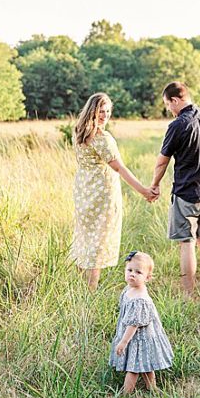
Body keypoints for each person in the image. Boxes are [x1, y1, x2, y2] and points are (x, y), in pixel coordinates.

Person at [70, 93, 156, 291]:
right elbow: (119, 168)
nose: (105, 115)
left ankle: (80, 287)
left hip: (83, 189)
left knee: (85, 235)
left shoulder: (79, 132)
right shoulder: (101, 137)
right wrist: (143, 190)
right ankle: (90, 290)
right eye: (101, 111)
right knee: (98, 241)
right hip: (100, 193)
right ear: (92, 111)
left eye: (108, 111)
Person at [149, 81, 200, 297]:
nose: (169, 110)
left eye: (168, 105)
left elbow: (162, 162)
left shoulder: (178, 125)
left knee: (187, 243)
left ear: (175, 100)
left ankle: (188, 294)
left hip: (186, 194)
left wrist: (154, 185)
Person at [109, 251, 173, 393]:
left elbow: (134, 324)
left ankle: (125, 393)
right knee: (145, 364)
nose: (132, 274)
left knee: (133, 368)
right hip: (133, 337)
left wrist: (124, 341)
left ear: (147, 277)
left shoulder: (140, 299)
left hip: (139, 337)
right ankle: (152, 387)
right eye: (129, 270)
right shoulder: (129, 289)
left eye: (138, 272)